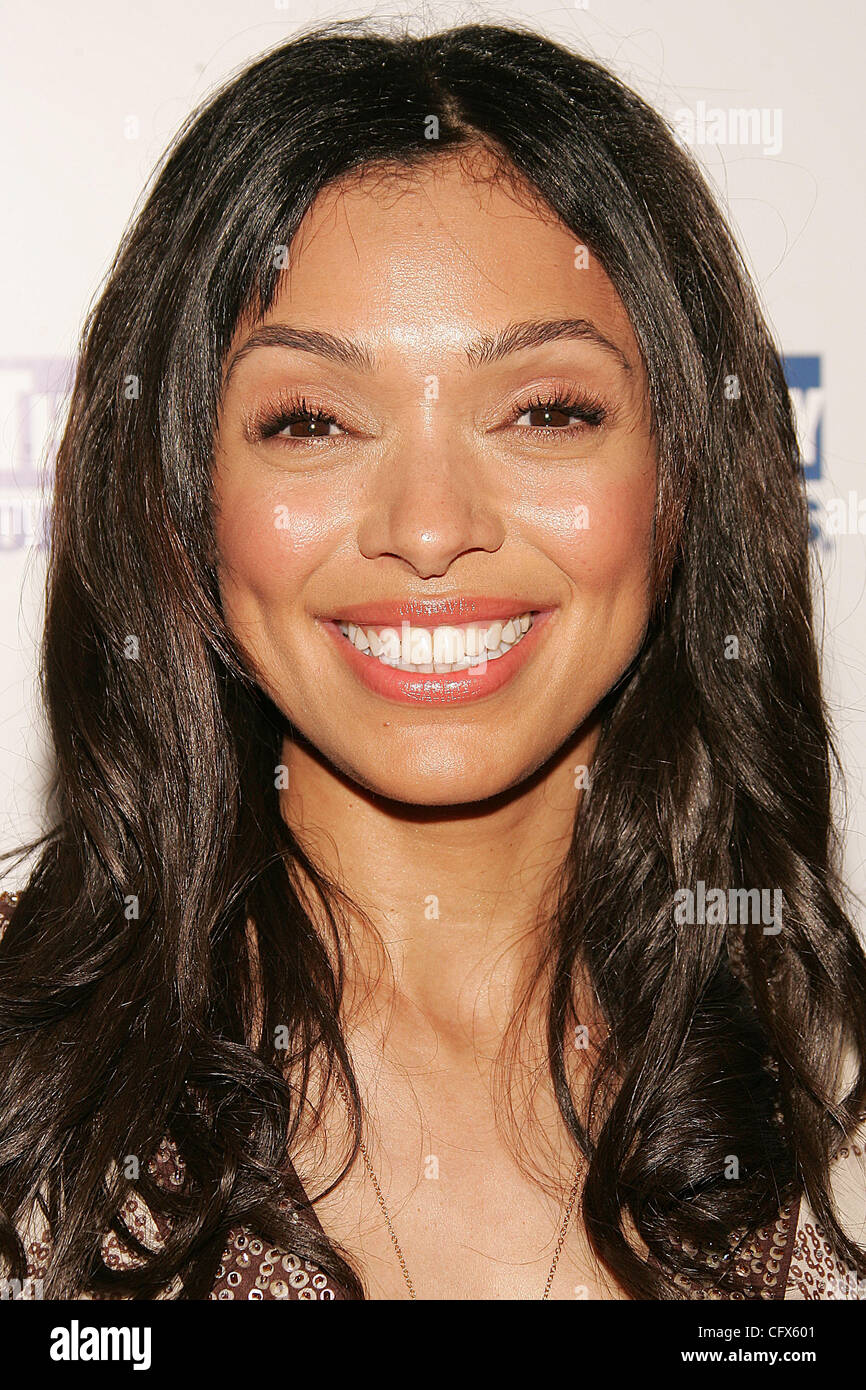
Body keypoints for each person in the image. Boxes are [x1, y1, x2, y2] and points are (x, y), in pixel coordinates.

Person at [1, 19, 865, 1302]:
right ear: (182, 494)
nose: (427, 528)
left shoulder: (830, 1100)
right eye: (311, 420)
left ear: (683, 472)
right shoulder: (27, 1086)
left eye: (544, 410)